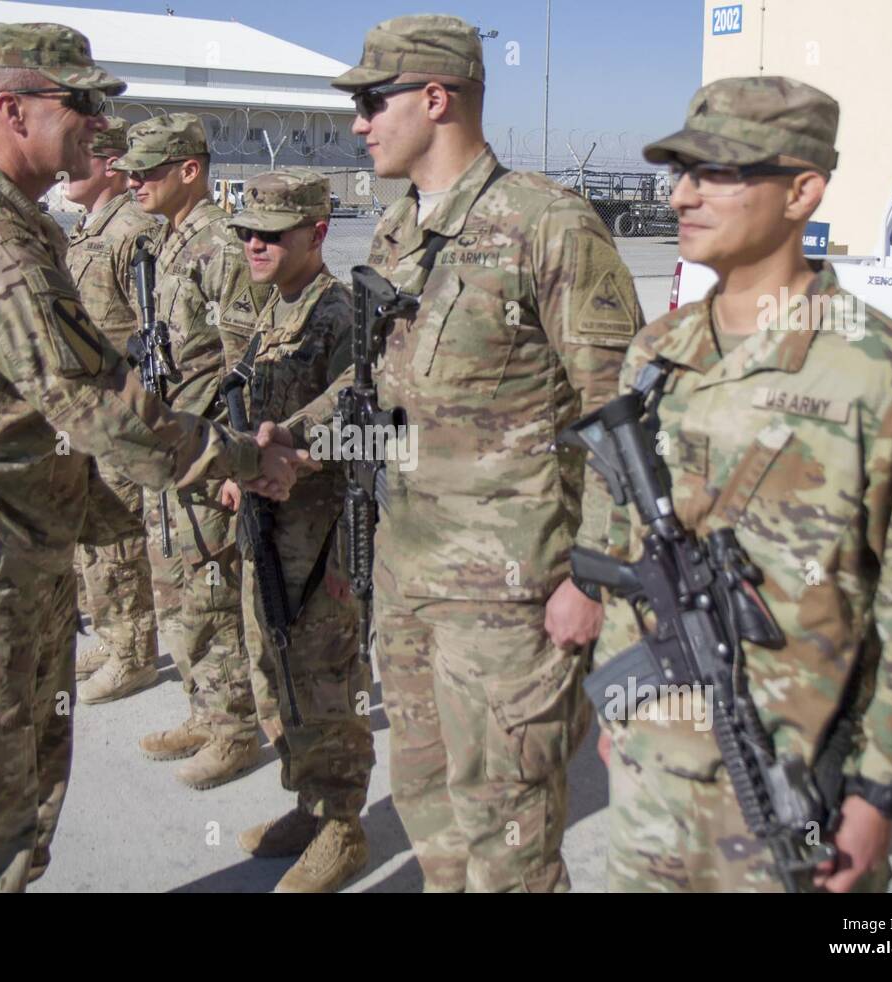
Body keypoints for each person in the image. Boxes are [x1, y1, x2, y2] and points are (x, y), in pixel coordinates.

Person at [0, 20, 312, 892]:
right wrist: (241, 460)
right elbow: (97, 403)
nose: (98, 128)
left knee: (19, 802)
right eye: (82, 104)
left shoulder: (4, 220)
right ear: (13, 108)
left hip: (7, 549)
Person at [268, 14, 642, 892]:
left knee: (507, 845)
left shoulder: (549, 225)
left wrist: (591, 577)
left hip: (509, 604)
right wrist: (296, 441)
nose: (358, 122)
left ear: (436, 99)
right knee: (432, 816)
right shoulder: (400, 231)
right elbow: (378, 386)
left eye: (371, 100)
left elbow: (621, 414)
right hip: (405, 581)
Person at [593, 76, 892, 892]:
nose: (683, 193)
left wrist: (881, 795)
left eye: (719, 171)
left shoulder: (889, 376)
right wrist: (618, 700)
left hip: (790, 802)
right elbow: (626, 545)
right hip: (648, 793)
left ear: (804, 189)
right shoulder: (655, 353)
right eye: (680, 171)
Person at [221, 169, 375, 892]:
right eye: (247, 231)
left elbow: (362, 427)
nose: (254, 243)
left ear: (315, 234)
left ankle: (342, 826)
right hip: (268, 529)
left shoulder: (337, 316)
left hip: (320, 544)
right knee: (273, 674)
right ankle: (309, 804)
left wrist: (284, 461)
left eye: (270, 234)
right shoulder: (274, 310)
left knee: (324, 684)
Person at [112, 115, 275, 789]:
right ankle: (204, 709)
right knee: (177, 588)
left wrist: (243, 460)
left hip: (208, 449)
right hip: (169, 447)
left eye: (150, 170)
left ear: (190, 170)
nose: (134, 181)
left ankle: (235, 726)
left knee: (209, 591)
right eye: (133, 170)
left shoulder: (221, 248)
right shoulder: (165, 243)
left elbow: (250, 364)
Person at [64, 116, 167, 703]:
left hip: (117, 407)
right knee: (94, 530)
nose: (67, 169)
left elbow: (148, 328)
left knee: (118, 530)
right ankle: (112, 632)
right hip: (86, 407)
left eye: (82, 156)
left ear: (107, 163)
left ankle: (134, 652)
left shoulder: (130, 231)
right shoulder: (88, 229)